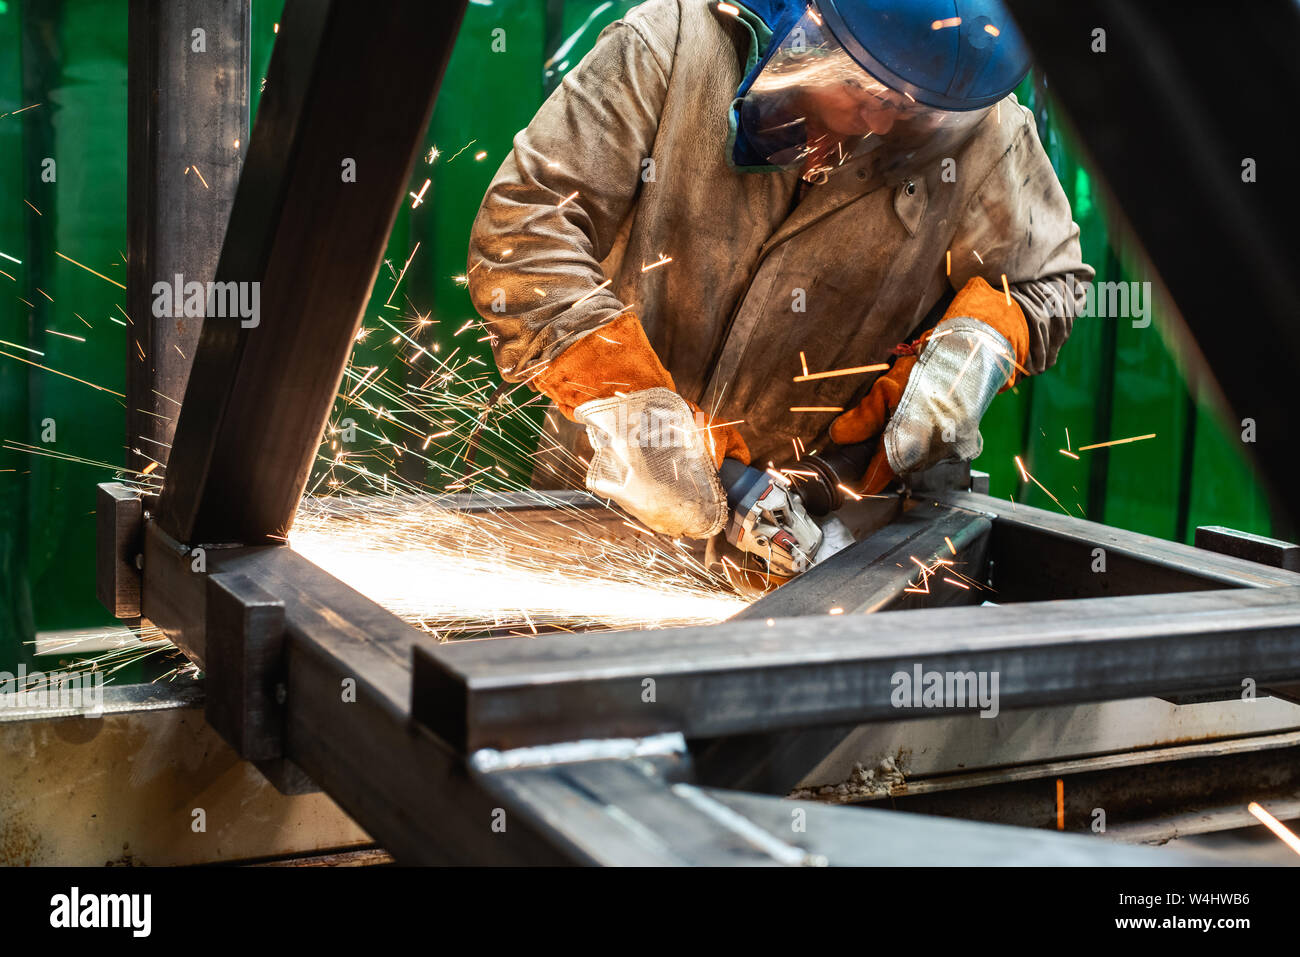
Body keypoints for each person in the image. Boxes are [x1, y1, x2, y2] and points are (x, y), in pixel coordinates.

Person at [468, 0, 1092, 541]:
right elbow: (525, 228)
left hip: (821, 535)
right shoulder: (674, 48)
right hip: (602, 502)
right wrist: (623, 399)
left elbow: (1048, 286)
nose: (881, 123)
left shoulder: (985, 132)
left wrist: (977, 349)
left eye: (909, 108)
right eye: (869, 92)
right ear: (808, 27)